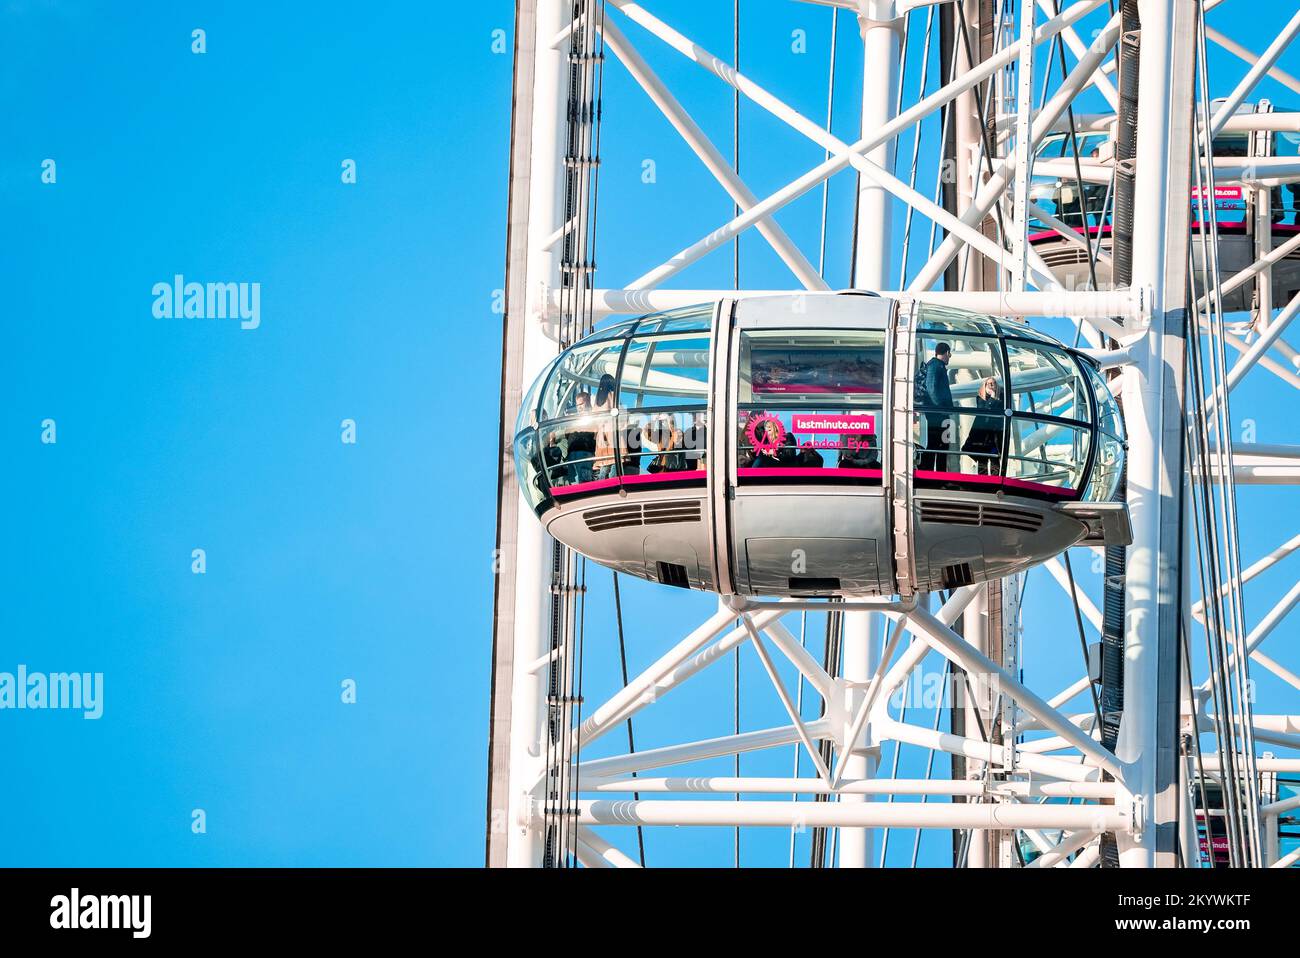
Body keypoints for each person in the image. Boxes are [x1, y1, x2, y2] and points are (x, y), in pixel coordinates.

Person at [917, 342, 953, 471]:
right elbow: (931, 388)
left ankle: (936, 472)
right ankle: (933, 472)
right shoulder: (935, 365)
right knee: (938, 443)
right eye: (950, 354)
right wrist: (941, 408)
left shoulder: (937, 366)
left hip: (938, 412)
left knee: (941, 444)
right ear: (947, 353)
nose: (950, 357)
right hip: (938, 413)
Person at [960, 377, 1005, 475]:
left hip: (994, 435)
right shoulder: (980, 398)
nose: (991, 386)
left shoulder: (1001, 399)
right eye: (989, 383)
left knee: (995, 459)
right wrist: (993, 398)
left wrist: (995, 397)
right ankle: (983, 481)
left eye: (993, 383)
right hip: (982, 435)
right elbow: (985, 411)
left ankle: (995, 481)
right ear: (984, 386)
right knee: (982, 460)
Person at [564, 391, 596, 484]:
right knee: (574, 482)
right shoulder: (575, 418)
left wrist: (577, 428)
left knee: (584, 481)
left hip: (584, 451)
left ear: (588, 402)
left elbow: (595, 430)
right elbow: (567, 432)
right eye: (578, 405)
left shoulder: (593, 416)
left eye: (582, 404)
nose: (579, 407)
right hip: (572, 452)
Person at [592, 374, 617, 479]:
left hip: (601, 435)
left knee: (604, 463)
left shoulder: (598, 399)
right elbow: (617, 411)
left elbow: (595, 417)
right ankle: (613, 483)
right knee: (615, 461)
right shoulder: (612, 395)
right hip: (611, 432)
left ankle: (601, 483)